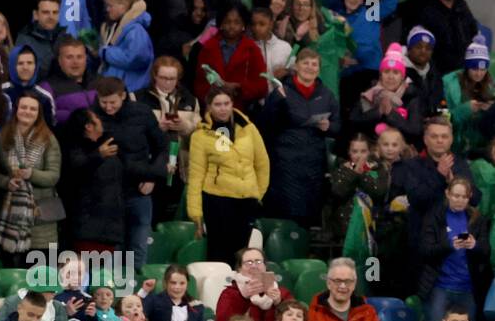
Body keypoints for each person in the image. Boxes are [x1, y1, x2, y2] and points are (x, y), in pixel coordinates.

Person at [187, 86, 270, 266]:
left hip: (246, 200)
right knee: (219, 254)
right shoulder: (201, 136)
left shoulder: (249, 129)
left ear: (232, 104)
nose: (223, 108)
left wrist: (257, 194)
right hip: (217, 201)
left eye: (226, 103)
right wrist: (196, 213)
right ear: (209, 107)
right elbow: (196, 176)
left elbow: (262, 164)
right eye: (217, 104)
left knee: (242, 255)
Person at [92, 76, 166, 271]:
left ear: (123, 95)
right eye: (104, 102)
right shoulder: (90, 117)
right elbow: (79, 155)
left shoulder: (142, 113)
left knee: (139, 245)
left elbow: (162, 148)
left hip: (139, 191)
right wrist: (97, 154)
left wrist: (153, 176)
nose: (108, 107)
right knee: (112, 249)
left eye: (113, 102)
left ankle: (135, 292)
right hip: (107, 194)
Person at [263, 46, 340, 229]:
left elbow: (338, 127)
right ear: (296, 66)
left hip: (313, 163)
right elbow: (265, 124)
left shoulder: (327, 95)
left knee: (308, 214)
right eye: (305, 63)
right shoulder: (282, 92)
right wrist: (276, 101)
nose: (310, 67)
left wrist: (328, 126)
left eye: (314, 64)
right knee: (286, 212)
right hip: (285, 162)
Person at [0, 92, 61, 266]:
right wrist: (7, 182)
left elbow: (54, 176)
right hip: (10, 215)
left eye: (33, 109)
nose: (27, 112)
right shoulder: (2, 137)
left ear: (39, 113)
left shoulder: (49, 139)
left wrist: (31, 174)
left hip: (41, 217)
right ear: (16, 110)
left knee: (39, 276)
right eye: (24, 107)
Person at [417, 175, 490, 321]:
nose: (460, 200)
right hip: (439, 287)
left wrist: (474, 245)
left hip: (468, 288)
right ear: (447, 194)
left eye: (464, 197)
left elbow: (486, 251)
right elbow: (425, 250)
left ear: (469, 197)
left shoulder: (477, 219)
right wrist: (449, 245)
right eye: (456, 196)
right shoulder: (435, 216)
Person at [391, 116, 477, 247]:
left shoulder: (460, 165)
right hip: (422, 237)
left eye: (444, 136)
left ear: (451, 139)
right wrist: (439, 175)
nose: (440, 140)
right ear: (425, 139)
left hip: (456, 234)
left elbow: (475, 198)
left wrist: (455, 184)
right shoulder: (412, 166)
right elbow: (416, 199)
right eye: (434, 136)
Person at [134, 56, 200, 225]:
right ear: (154, 76)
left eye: (172, 79)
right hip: (152, 166)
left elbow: (199, 133)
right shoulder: (138, 98)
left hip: (180, 166)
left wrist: (183, 126)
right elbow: (133, 133)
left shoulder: (190, 100)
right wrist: (157, 128)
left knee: (174, 215)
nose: (168, 83)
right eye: (164, 78)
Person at [62, 107, 125, 255]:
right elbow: (75, 171)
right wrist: (98, 155)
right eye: (97, 119)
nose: (101, 122)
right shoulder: (75, 147)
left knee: (104, 276)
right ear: (88, 126)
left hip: (109, 226)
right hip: (87, 227)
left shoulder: (108, 145)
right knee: (85, 274)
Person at [193, 2, 269, 113]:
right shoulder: (208, 48)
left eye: (237, 22)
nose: (232, 26)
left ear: (243, 24)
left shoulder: (252, 49)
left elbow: (262, 87)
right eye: (228, 21)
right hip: (212, 111)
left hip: (242, 112)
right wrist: (215, 91)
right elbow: (198, 85)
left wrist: (238, 87)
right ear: (221, 23)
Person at [348, 43, 422, 145]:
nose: (390, 77)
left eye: (396, 72)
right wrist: (378, 112)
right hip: (371, 150)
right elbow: (352, 122)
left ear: (402, 77)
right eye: (386, 71)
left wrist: (391, 113)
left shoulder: (411, 96)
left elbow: (415, 131)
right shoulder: (369, 93)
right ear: (380, 75)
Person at [410, 0, 479, 76]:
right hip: (433, 72)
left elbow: (473, 32)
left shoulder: (462, 6)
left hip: (460, 71)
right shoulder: (425, 3)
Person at [443, 35, 495, 156]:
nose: (479, 73)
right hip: (454, 143)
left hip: (482, 145)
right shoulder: (449, 83)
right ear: (467, 66)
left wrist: (493, 110)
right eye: (474, 68)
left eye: (483, 69)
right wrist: (465, 109)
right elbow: (443, 118)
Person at [216, 246, 284, 321]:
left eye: (258, 262)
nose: (254, 266)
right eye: (249, 262)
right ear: (239, 268)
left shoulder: (280, 292)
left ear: (265, 266)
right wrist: (243, 299)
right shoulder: (229, 294)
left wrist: (278, 303)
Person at [100, 0, 155, 93]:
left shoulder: (136, 30)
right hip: (119, 88)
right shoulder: (117, 26)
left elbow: (136, 58)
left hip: (131, 89)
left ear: (123, 5)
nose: (107, 9)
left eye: (110, 6)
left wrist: (105, 52)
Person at [39, 36, 97, 127]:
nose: (75, 62)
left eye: (79, 57)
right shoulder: (47, 87)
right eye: (69, 57)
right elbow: (45, 119)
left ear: (86, 59)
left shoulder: (99, 82)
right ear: (59, 60)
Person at [14, 0, 66, 82]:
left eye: (55, 12)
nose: (51, 17)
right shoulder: (24, 40)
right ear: (36, 15)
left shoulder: (65, 37)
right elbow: (26, 74)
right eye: (46, 12)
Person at [2, 44, 57, 125]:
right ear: (12, 66)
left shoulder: (45, 97)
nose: (25, 67)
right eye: (20, 63)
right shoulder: (0, 92)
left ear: (36, 66)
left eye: (30, 63)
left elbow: (49, 129)